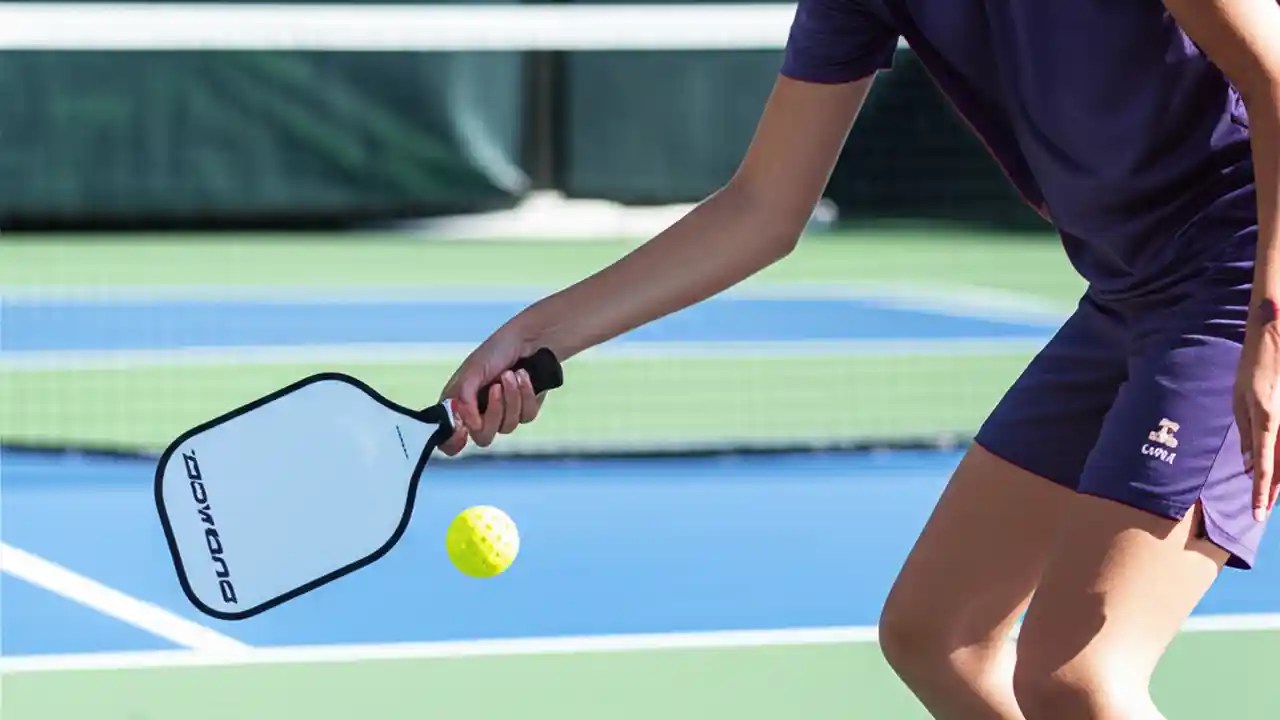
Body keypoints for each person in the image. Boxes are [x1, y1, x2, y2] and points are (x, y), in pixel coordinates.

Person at [437, 2, 1279, 717]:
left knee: (1078, 676)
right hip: (1130, 289)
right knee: (938, 635)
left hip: (1244, 273)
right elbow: (763, 205)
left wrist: (1271, 327)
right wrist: (538, 333)